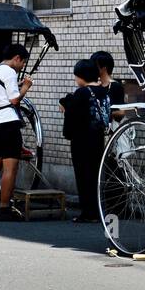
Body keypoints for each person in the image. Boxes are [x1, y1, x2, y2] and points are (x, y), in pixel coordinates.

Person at [0, 44, 32, 222]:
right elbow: (15, 99)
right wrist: (25, 86)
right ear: (17, 58)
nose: (22, 66)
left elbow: (0, 92)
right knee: (10, 167)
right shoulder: (9, 72)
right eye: (22, 62)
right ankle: (4, 209)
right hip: (7, 121)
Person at [59, 59, 112, 223]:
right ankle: (97, 211)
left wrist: (65, 108)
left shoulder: (82, 92)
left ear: (81, 76)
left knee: (83, 176)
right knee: (95, 175)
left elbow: (72, 115)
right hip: (98, 138)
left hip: (81, 139)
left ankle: (88, 212)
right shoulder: (104, 91)